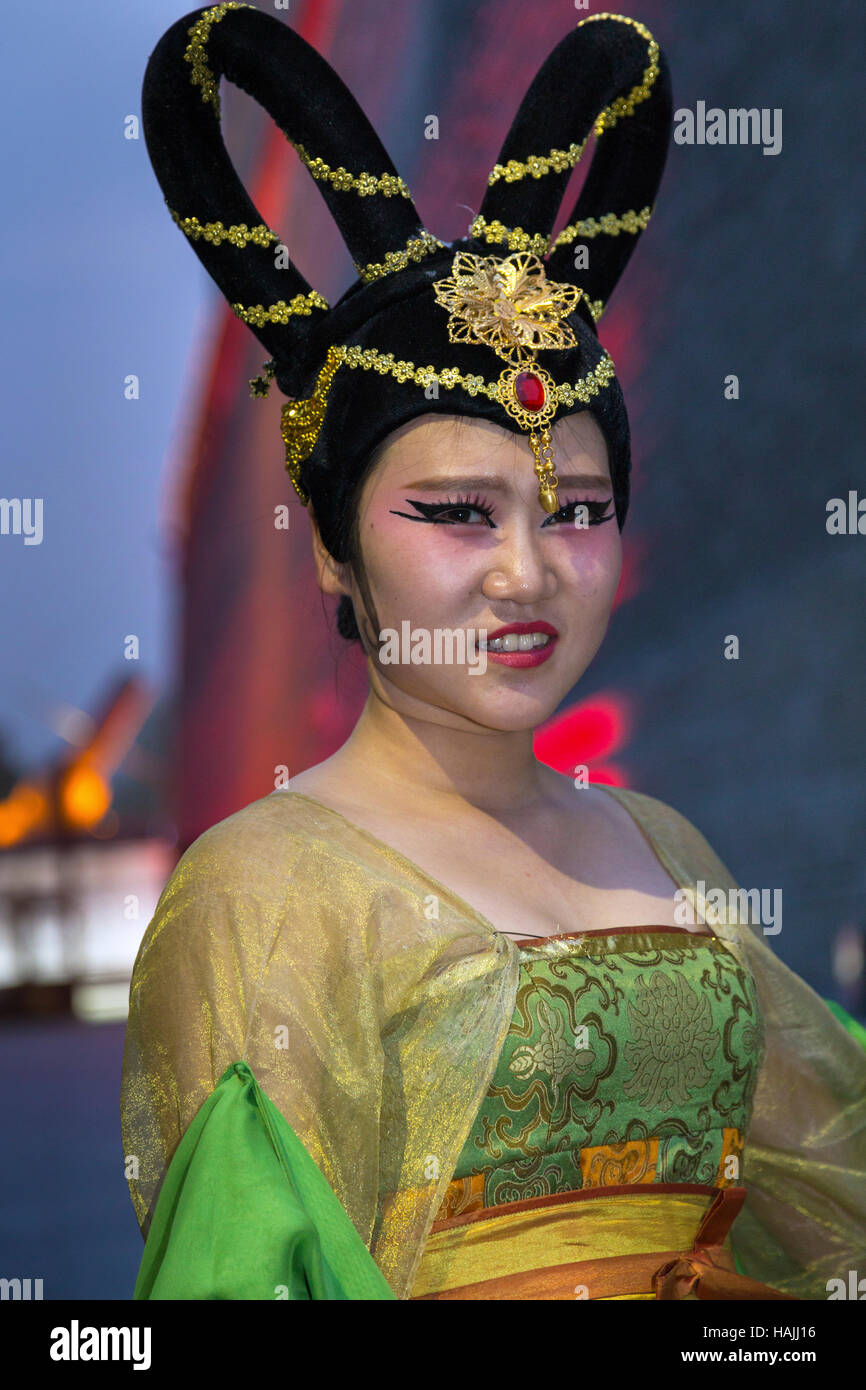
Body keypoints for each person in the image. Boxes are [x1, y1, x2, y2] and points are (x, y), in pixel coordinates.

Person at [121, 5, 866, 1300]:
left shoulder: (664, 847)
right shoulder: (258, 892)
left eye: (574, 510)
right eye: (457, 512)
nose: (526, 570)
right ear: (333, 554)